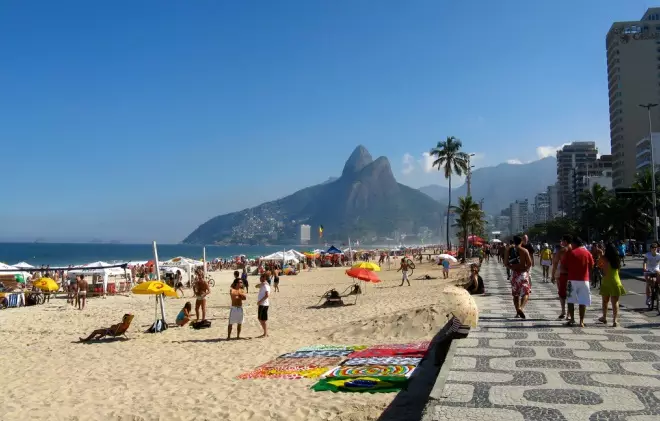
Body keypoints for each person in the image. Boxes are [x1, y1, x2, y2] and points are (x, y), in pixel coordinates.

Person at [562, 236, 594, 327]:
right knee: (583, 301)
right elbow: (591, 266)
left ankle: (572, 319)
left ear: (575, 243)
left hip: (571, 280)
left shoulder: (571, 253)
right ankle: (581, 321)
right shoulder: (587, 253)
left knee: (570, 300)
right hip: (584, 280)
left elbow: (564, 265)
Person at [598, 243, 626, 327]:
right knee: (615, 302)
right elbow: (618, 270)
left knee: (605, 301)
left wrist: (601, 255)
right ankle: (615, 320)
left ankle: (604, 317)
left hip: (606, 281)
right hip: (616, 281)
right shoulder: (617, 259)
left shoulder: (604, 258)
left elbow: (599, 265)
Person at [504, 235, 532, 319]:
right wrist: (525, 268)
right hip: (523, 274)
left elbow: (505, 263)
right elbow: (530, 263)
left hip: (514, 274)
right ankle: (521, 308)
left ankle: (517, 312)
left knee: (515, 295)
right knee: (526, 293)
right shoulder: (524, 250)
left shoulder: (509, 251)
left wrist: (512, 267)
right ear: (521, 242)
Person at [228, 272, 246, 339]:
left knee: (239, 323)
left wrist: (239, 295)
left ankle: (238, 336)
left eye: (241, 282)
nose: (241, 284)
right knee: (230, 323)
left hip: (240, 307)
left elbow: (244, 298)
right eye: (240, 282)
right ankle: (228, 336)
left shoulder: (241, 290)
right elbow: (234, 297)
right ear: (236, 283)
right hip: (234, 308)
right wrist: (240, 295)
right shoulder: (232, 290)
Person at [643, 242, 660, 308]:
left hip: (656, 269)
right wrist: (644, 268)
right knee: (648, 283)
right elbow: (644, 262)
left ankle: (658, 288)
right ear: (650, 249)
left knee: (658, 274)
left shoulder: (659, 255)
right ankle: (648, 298)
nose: (654, 249)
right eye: (653, 248)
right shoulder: (647, 255)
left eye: (655, 248)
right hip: (649, 269)